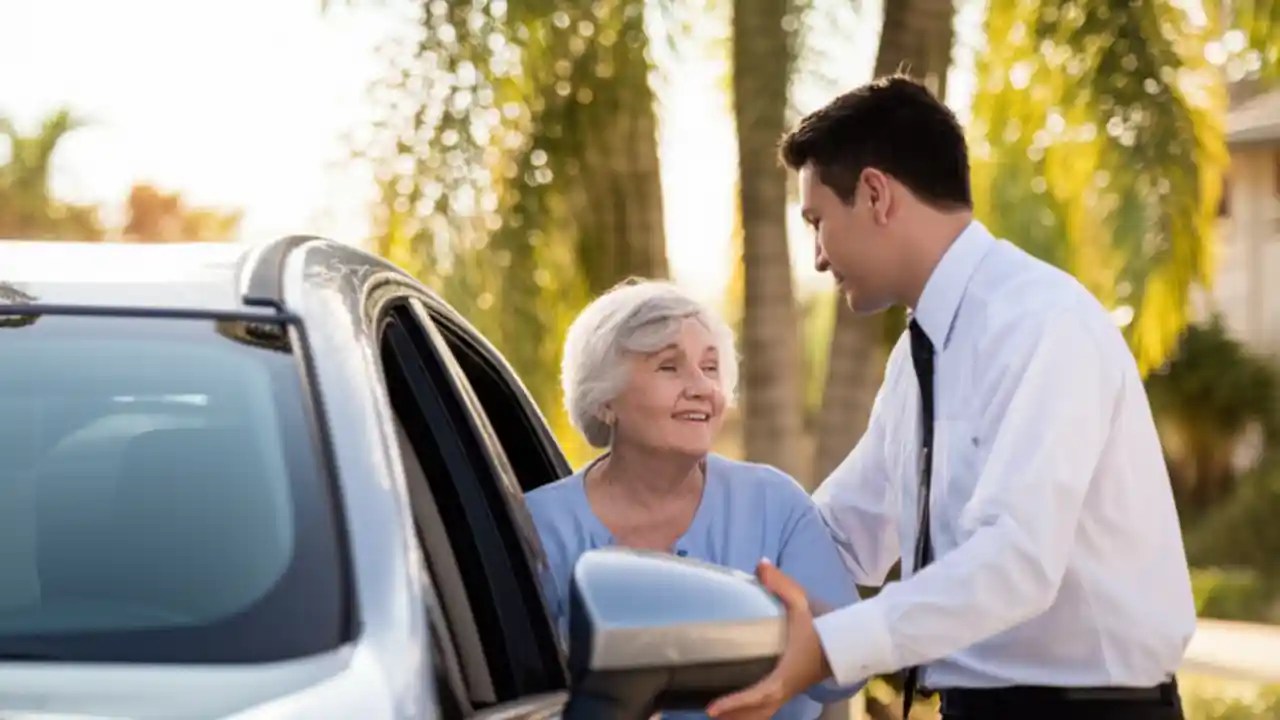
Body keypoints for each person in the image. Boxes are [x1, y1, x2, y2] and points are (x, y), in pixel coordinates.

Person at [705, 75, 1196, 720]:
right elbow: (839, 533)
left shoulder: (1043, 324)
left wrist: (830, 647)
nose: (819, 257)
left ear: (876, 194)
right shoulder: (918, 358)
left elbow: (1017, 559)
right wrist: (679, 569)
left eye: (818, 221)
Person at [524, 279, 862, 720]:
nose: (701, 387)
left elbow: (852, 662)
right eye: (669, 367)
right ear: (605, 400)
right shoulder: (534, 527)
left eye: (711, 368)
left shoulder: (774, 504)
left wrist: (793, 626)